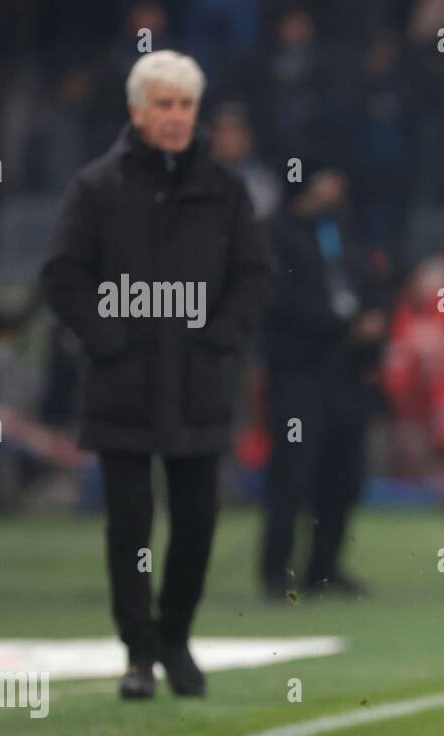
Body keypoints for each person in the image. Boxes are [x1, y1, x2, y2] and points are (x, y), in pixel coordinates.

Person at [40, 50, 274, 700]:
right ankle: (139, 653)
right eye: (164, 105)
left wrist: (219, 338)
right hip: (122, 385)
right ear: (137, 111)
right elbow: (62, 274)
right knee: (130, 526)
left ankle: (174, 635)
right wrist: (108, 339)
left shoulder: (225, 190)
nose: (176, 117)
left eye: (186, 105)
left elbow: (256, 276)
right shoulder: (97, 186)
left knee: (198, 520)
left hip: (199, 384)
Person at [260, 168, 384, 599]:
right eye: (328, 178)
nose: (338, 187)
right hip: (300, 371)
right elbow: (281, 302)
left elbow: (366, 282)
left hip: (345, 371)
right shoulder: (276, 235)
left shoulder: (341, 227)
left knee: (343, 472)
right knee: (293, 472)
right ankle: (277, 571)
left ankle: (325, 568)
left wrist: (370, 321)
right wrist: (343, 326)